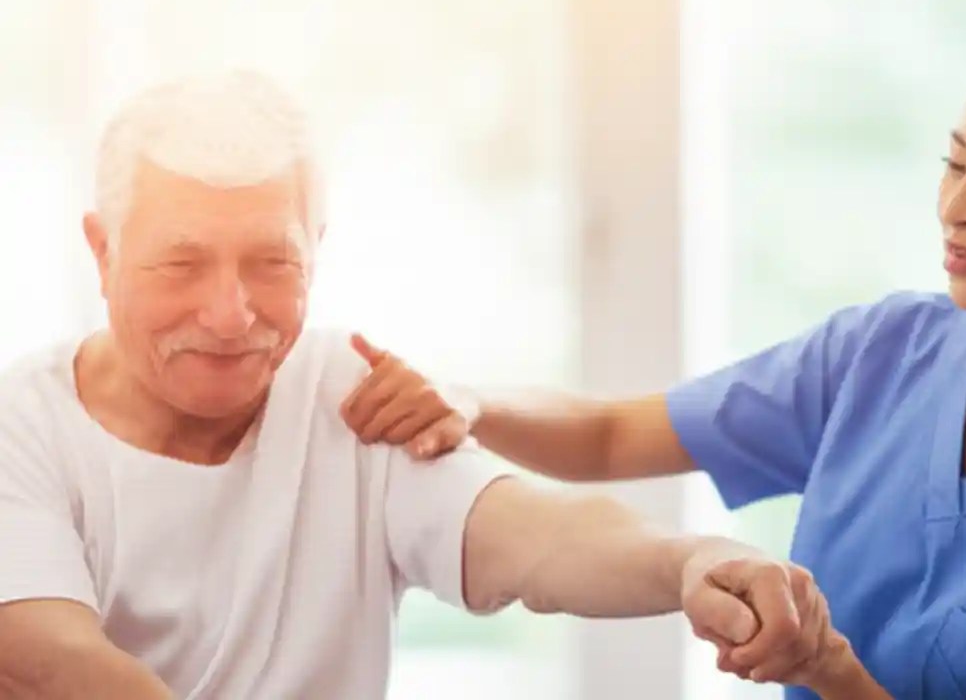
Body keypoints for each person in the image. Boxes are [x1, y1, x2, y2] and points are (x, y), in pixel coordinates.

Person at [344, 19, 966, 698]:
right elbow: (616, 436)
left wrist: (831, 671)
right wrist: (468, 402)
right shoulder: (884, 354)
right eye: (955, 163)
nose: (959, 206)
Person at [0, 71, 857, 700]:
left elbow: (539, 537)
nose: (231, 313)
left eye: (272, 263)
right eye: (182, 264)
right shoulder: (21, 428)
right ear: (103, 250)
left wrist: (690, 562)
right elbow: (62, 666)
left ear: (318, 246)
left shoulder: (348, 392)